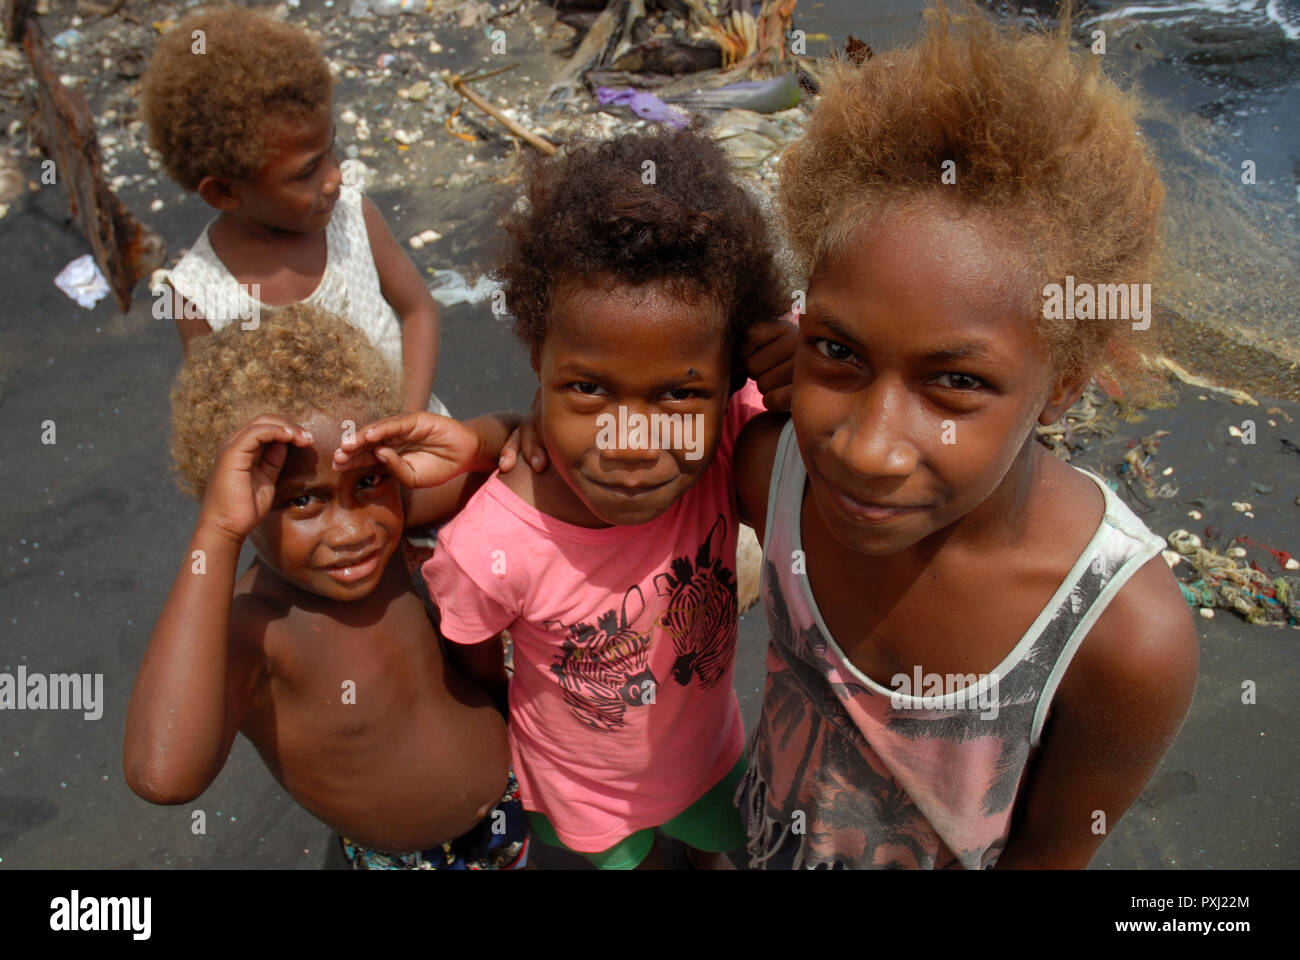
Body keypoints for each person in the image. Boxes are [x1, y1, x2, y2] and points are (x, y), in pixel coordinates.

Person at [731, 1, 1200, 869]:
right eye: (840, 351)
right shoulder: (774, 473)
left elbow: (1054, 853)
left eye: (956, 382)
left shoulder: (1119, 638)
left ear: (1061, 385)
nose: (868, 449)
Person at [407, 126, 795, 869]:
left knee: (720, 851)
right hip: (585, 796)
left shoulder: (725, 446)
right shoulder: (489, 547)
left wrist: (795, 364)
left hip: (712, 757)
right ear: (537, 358)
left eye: (679, 393)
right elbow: (479, 663)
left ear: (729, 379)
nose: (630, 442)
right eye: (589, 388)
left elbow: (824, 421)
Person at [124, 305, 526, 869]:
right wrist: (216, 534)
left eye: (367, 481)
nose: (353, 530)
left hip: (515, 808)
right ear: (242, 503)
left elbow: (524, 448)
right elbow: (162, 774)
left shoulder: (394, 519)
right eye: (302, 501)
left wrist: (474, 439)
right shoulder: (254, 626)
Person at [141, 5, 444, 414]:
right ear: (224, 192)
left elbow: (419, 310)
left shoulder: (351, 216)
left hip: (417, 443)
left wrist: (410, 422)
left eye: (331, 148)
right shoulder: (198, 295)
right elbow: (216, 416)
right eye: (306, 172)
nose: (335, 176)